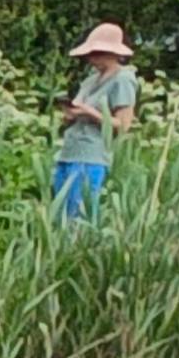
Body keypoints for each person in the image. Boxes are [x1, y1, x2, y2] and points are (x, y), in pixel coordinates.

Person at [59, 23, 140, 220]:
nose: (92, 59)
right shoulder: (91, 79)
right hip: (70, 150)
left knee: (80, 214)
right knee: (60, 213)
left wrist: (90, 112)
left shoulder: (123, 80)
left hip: (92, 155)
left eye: (98, 53)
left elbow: (123, 125)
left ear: (114, 54)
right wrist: (71, 113)